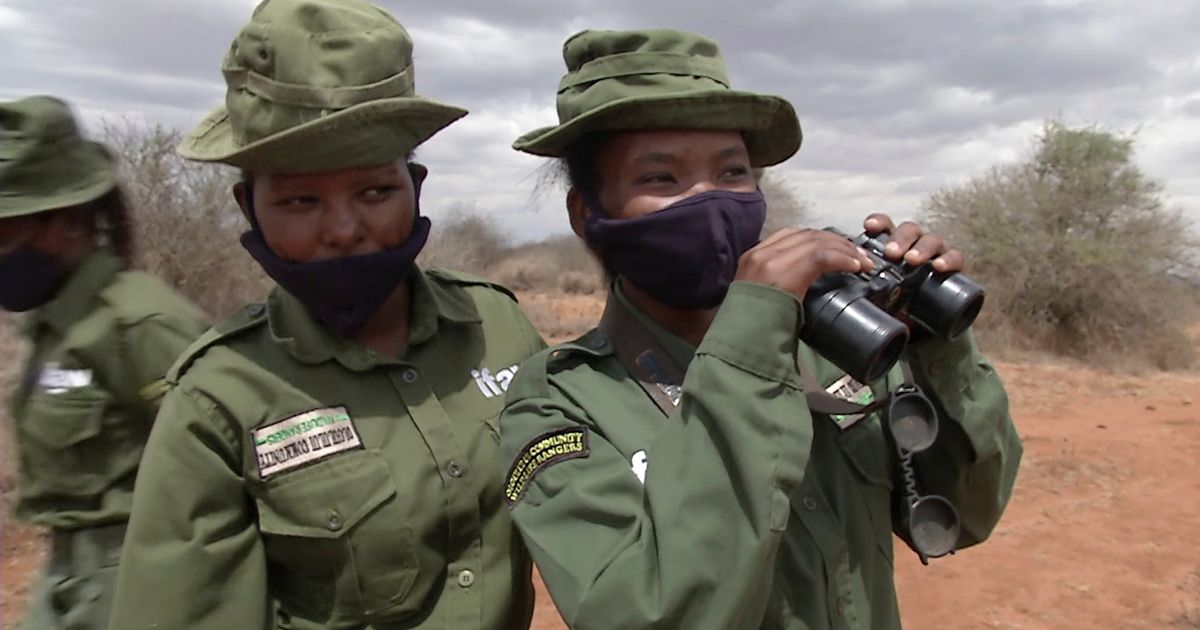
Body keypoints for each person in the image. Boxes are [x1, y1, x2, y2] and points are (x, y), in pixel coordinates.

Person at [499, 29, 1023, 629]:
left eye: (732, 173)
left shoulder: (829, 349)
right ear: (586, 214)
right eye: (662, 180)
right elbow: (650, 616)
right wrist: (750, 337)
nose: (710, 202)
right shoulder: (557, 405)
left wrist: (936, 346)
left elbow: (969, 514)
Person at [107, 1, 546, 629]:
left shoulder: (499, 330)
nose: (344, 230)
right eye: (300, 200)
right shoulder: (218, 401)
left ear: (415, 187)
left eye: (375, 192)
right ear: (249, 206)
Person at [0, 95, 209, 630]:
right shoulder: (57, 324)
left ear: (65, 224)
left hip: (136, 578)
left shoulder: (139, 323)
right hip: (68, 571)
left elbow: (222, 466)